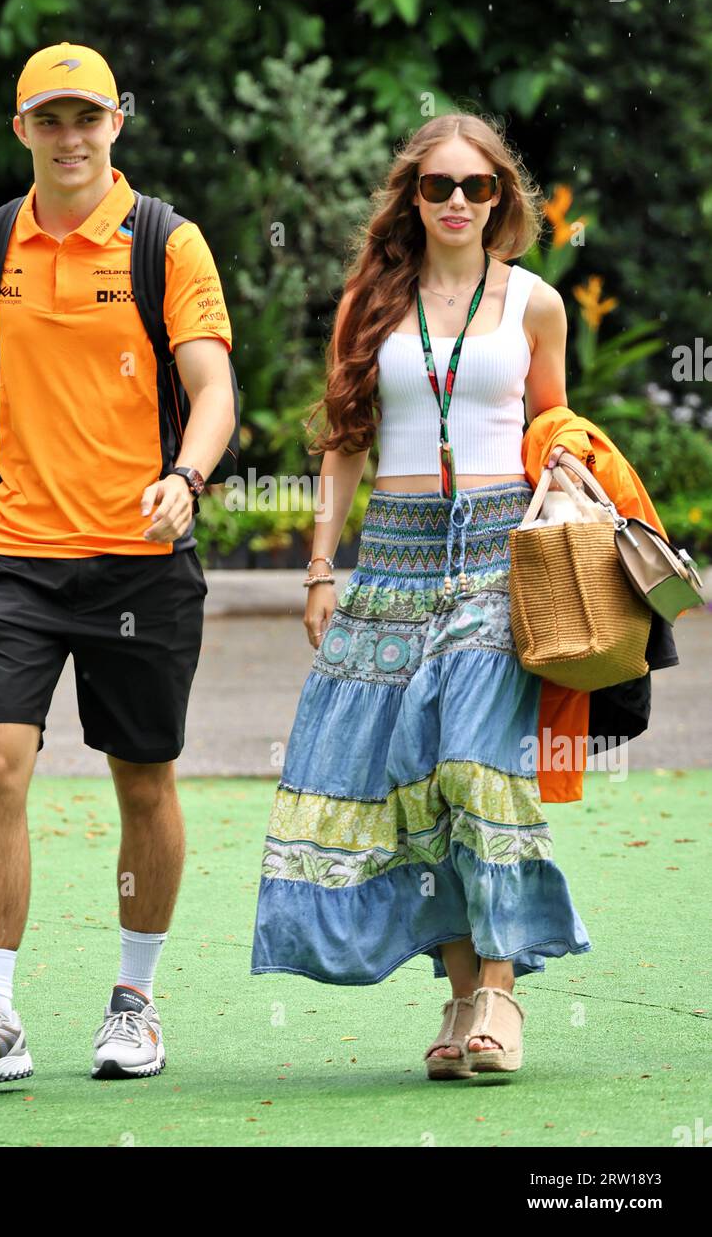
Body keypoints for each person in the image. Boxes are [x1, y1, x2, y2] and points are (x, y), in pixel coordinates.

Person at [0, 42, 236, 1086]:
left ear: (116, 123)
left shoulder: (168, 241)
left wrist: (190, 475)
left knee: (144, 780)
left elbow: (212, 386)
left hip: (142, 558)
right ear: (23, 129)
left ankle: (136, 1002)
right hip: (20, 559)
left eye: (89, 117)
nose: (71, 137)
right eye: (50, 119)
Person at [250, 111, 591, 1078]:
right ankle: (456, 1000)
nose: (453, 202)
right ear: (411, 197)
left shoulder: (533, 303)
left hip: (495, 555)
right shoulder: (372, 298)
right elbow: (345, 439)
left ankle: (500, 997)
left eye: (473, 187)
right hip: (392, 561)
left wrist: (565, 484)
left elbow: (551, 426)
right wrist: (322, 564)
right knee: (410, 777)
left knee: (471, 756)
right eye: (435, 186)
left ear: (499, 200)